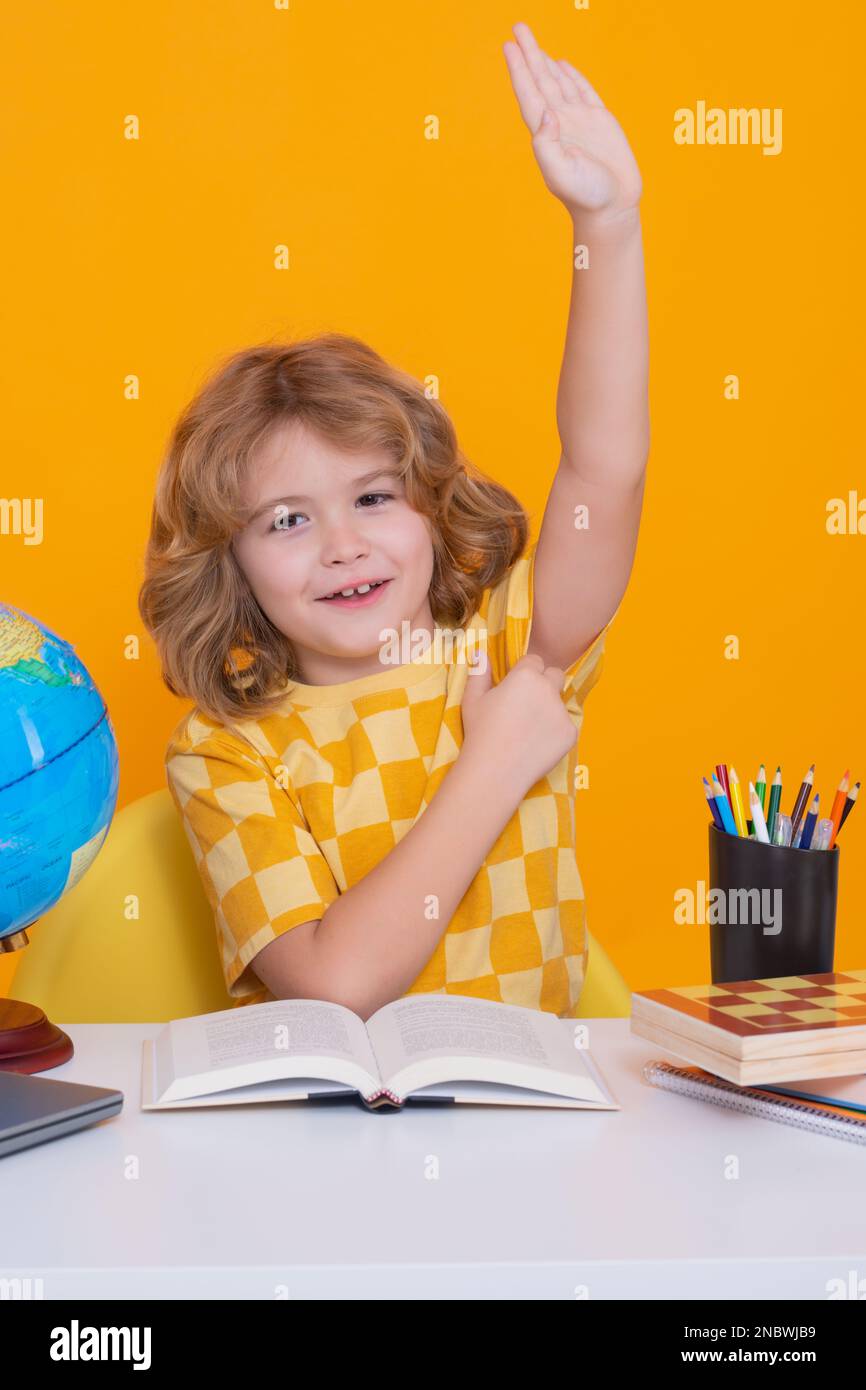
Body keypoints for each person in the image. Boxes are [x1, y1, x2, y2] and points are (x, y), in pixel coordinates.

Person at [138, 22, 648, 1020]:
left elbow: (604, 463)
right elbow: (336, 984)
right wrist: (496, 757)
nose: (343, 544)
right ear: (229, 562)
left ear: (427, 505)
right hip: (326, 1152)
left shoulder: (510, 650)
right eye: (285, 520)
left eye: (373, 496)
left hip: (528, 1137)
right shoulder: (223, 750)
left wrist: (608, 228)